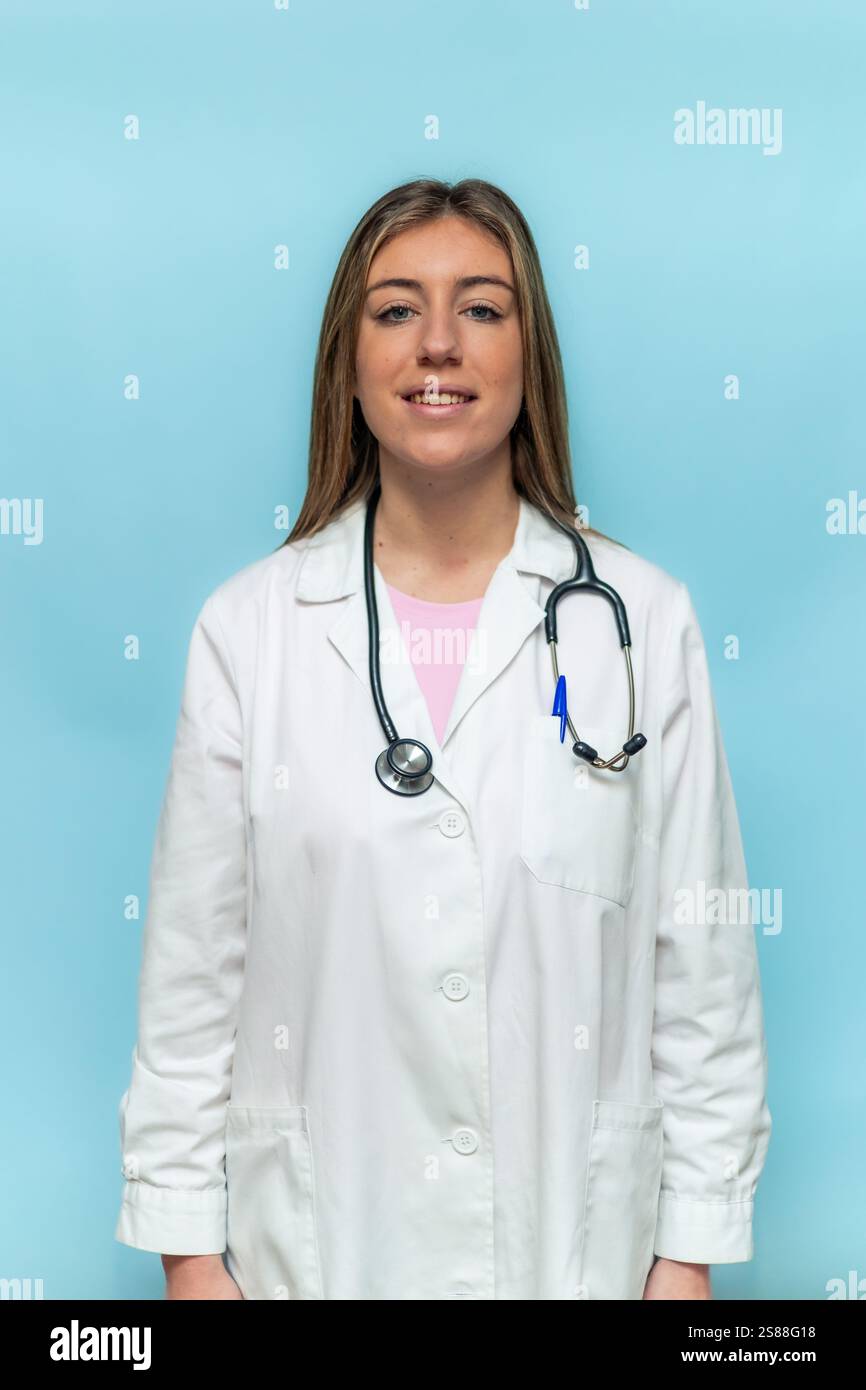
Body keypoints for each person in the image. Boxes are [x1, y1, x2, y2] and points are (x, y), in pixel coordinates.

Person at [115, 177, 772, 1301]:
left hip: (575, 1254)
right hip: (317, 1253)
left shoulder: (641, 620)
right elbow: (189, 982)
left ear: (529, 354)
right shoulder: (250, 631)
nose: (435, 343)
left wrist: (685, 1256)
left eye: (479, 307)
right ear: (348, 358)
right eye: (393, 310)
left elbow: (700, 970)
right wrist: (189, 1257)